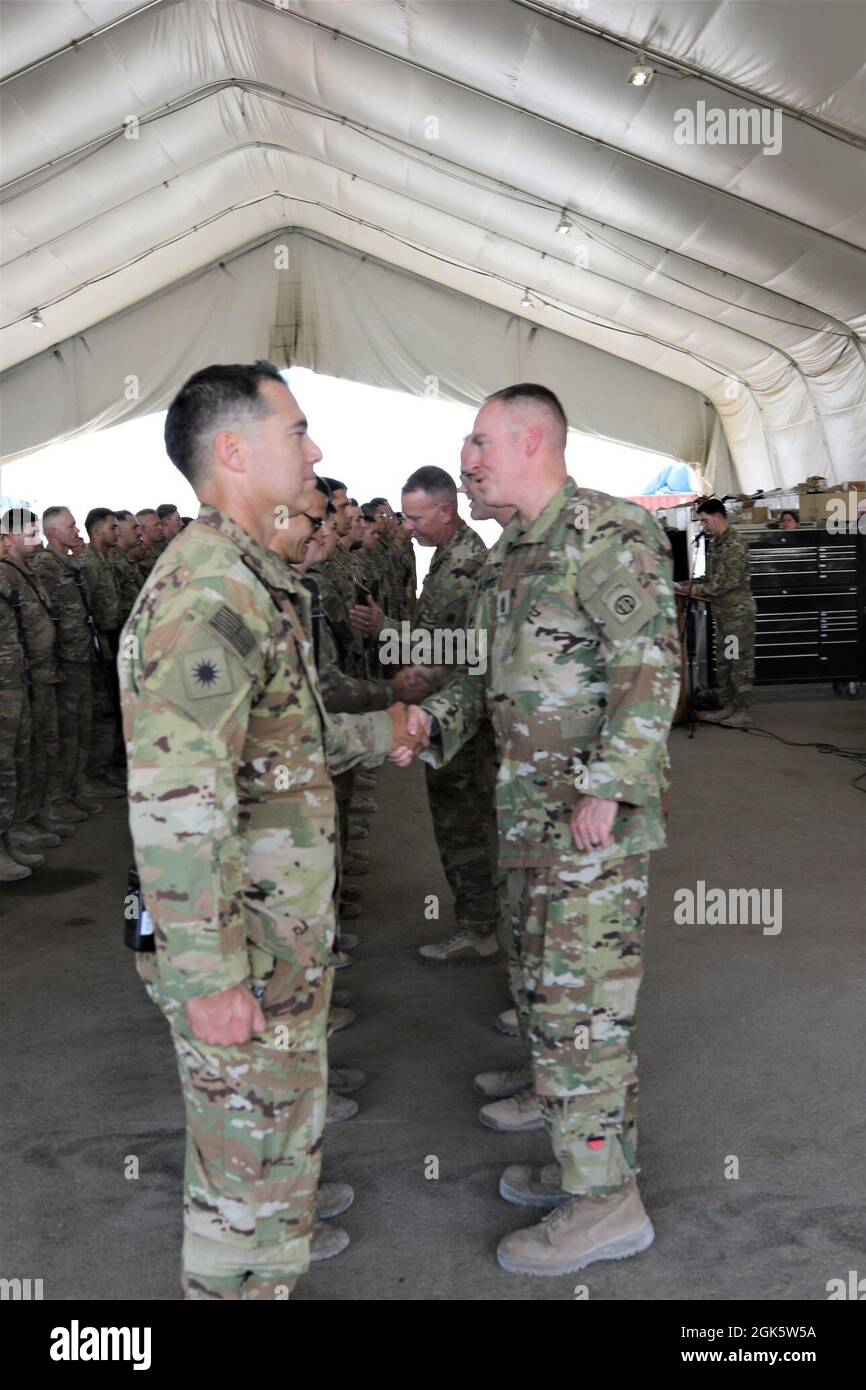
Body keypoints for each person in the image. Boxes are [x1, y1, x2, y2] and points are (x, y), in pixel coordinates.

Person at [120, 360, 418, 1300]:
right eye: (299, 431)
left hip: (274, 942)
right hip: (241, 953)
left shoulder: (250, 580)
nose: (316, 449)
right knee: (240, 1186)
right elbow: (177, 801)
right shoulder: (210, 595)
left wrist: (387, 730)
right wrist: (207, 980)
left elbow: (276, 748)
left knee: (270, 1164)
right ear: (236, 452)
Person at [396, 383, 679, 1276]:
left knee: (582, 1016)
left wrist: (612, 787)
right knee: (558, 1008)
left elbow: (651, 662)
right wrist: (430, 722)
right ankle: (583, 1158)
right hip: (527, 819)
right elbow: (482, 680)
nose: (467, 462)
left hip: (587, 832)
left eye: (478, 444)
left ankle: (606, 1206)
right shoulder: (516, 554)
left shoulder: (605, 531)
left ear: (531, 439)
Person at [352, 465, 500, 965]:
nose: (408, 527)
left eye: (416, 518)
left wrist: (383, 629)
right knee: (469, 824)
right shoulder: (448, 556)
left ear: (445, 511)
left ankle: (481, 925)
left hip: (459, 721)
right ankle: (484, 920)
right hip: (451, 712)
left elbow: (446, 649)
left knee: (463, 828)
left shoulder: (462, 565)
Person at [677, 498, 756, 728]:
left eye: (704, 520)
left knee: (739, 663)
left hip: (737, 616)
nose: (703, 525)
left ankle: (743, 711)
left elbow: (728, 581)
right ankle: (729, 705)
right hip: (723, 614)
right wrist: (689, 583)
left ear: (717, 516)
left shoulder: (734, 544)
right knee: (725, 661)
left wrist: (698, 589)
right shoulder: (717, 542)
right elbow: (713, 578)